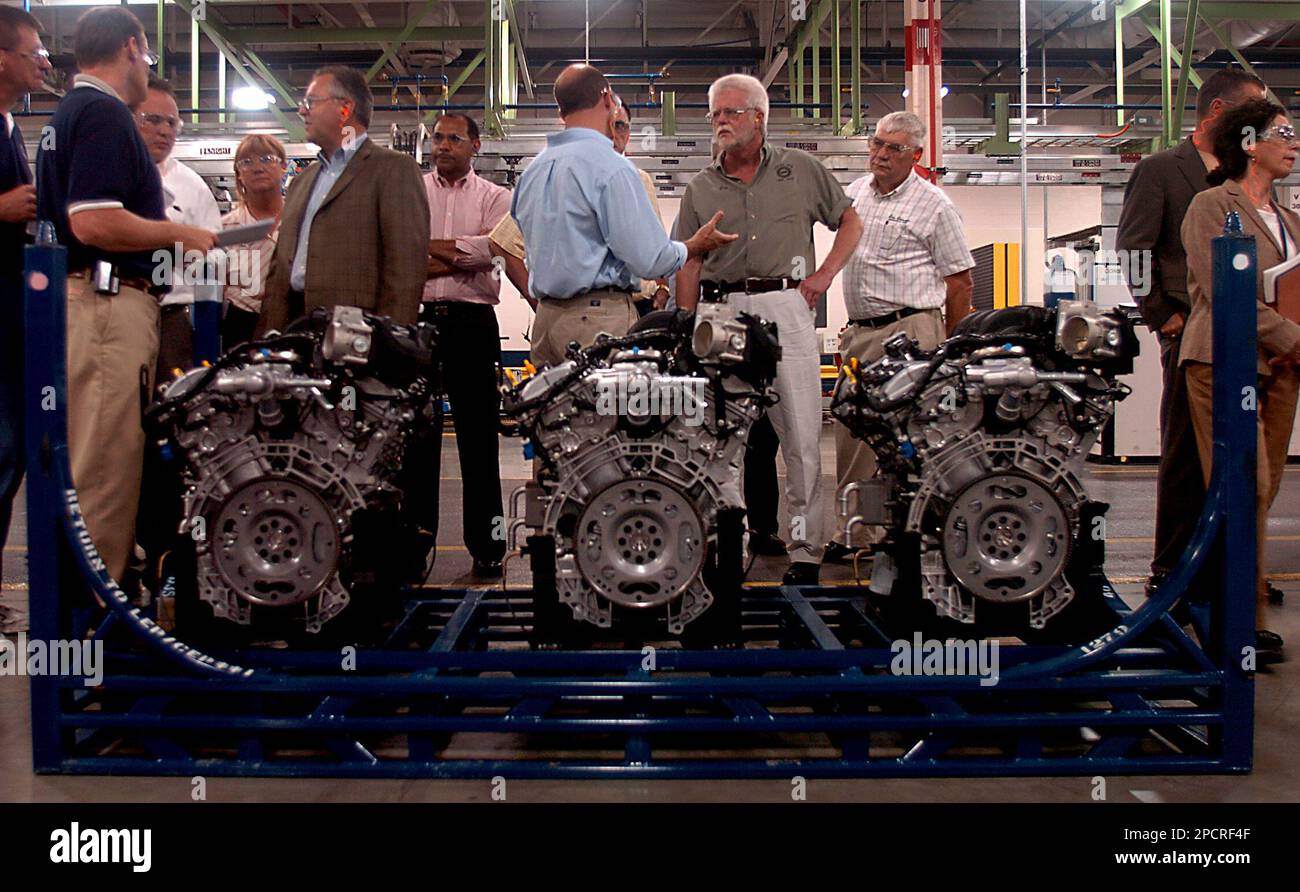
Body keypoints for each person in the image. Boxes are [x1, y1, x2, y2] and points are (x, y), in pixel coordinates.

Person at [35, 6, 216, 583]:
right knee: (105, 468)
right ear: (133, 48)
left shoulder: (70, 113)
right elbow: (92, 222)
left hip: (91, 303)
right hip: (108, 305)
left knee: (93, 459)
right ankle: (94, 620)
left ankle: (84, 607)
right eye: (149, 58)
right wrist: (178, 232)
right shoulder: (104, 113)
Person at [676, 73, 864, 585]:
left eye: (731, 112)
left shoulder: (800, 169)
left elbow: (850, 220)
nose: (720, 122)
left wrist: (823, 278)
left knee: (802, 436)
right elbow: (688, 263)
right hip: (722, 312)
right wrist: (685, 330)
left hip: (787, 305)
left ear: (759, 118)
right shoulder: (699, 186)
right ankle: (727, 545)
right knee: (722, 440)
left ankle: (805, 549)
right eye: (714, 113)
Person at [1116, 69, 1268, 598]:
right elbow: (1133, 250)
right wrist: (1163, 317)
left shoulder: (1243, 177)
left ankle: (1235, 568)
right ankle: (1171, 569)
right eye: (1255, 113)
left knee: (1242, 457)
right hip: (1189, 332)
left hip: (1248, 338)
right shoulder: (1162, 170)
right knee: (1183, 455)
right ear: (1219, 111)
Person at [512, 63, 736, 368]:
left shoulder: (534, 171)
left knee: (554, 414)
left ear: (561, 109)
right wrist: (693, 245)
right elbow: (649, 260)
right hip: (596, 320)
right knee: (607, 413)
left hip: (546, 321)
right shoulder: (611, 167)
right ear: (607, 99)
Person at [1180, 98, 1300, 661]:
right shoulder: (1211, 206)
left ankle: (1243, 614)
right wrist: (1293, 339)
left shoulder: (1292, 221)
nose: (1293, 141)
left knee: (1263, 491)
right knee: (1242, 487)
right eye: (1283, 132)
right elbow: (1227, 293)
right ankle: (1233, 621)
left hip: (1279, 370)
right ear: (1250, 142)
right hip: (1221, 362)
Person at [826, 111, 974, 563]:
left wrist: (950, 345)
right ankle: (857, 536)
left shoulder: (935, 206)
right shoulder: (854, 196)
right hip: (862, 335)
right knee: (854, 434)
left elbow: (960, 281)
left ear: (917, 155)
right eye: (876, 144)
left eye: (894, 148)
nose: (881, 154)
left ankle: (917, 535)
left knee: (913, 441)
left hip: (911, 331)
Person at [258, 65, 429, 333]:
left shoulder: (393, 170)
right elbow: (279, 267)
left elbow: (406, 270)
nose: (302, 110)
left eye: (311, 102)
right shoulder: (300, 182)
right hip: (293, 330)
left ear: (345, 108)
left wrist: (390, 345)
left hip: (355, 334)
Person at [421, 112, 511, 578]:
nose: (443, 145)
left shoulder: (497, 196)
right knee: (416, 439)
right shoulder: (413, 192)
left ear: (475, 146)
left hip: (473, 323)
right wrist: (460, 254)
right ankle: (415, 544)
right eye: (437, 137)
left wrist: (431, 251)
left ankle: (488, 546)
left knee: (479, 439)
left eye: (454, 138)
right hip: (418, 325)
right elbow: (403, 249)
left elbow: (493, 252)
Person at [0, 5, 49, 587]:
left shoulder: (11, 128)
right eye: (33, 52)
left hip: (12, 321)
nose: (44, 61)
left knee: (8, 461)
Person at [134, 74, 222, 381]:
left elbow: (216, 252)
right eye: (153, 120)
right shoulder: (113, 172)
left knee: (176, 398)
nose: (164, 131)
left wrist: (190, 250)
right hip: (124, 306)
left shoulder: (192, 184)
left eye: (172, 123)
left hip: (174, 315)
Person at [221, 133, 286, 349]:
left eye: (267, 159)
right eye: (247, 162)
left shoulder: (302, 221)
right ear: (238, 174)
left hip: (291, 322)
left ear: (283, 166)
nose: (258, 167)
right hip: (240, 326)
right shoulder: (224, 229)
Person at [610, 99, 671, 314]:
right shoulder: (569, 176)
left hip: (643, 303)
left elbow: (657, 243)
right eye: (606, 125)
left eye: (619, 125)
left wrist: (662, 287)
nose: (612, 133)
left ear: (628, 133)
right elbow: (506, 242)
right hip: (597, 307)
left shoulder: (641, 180)